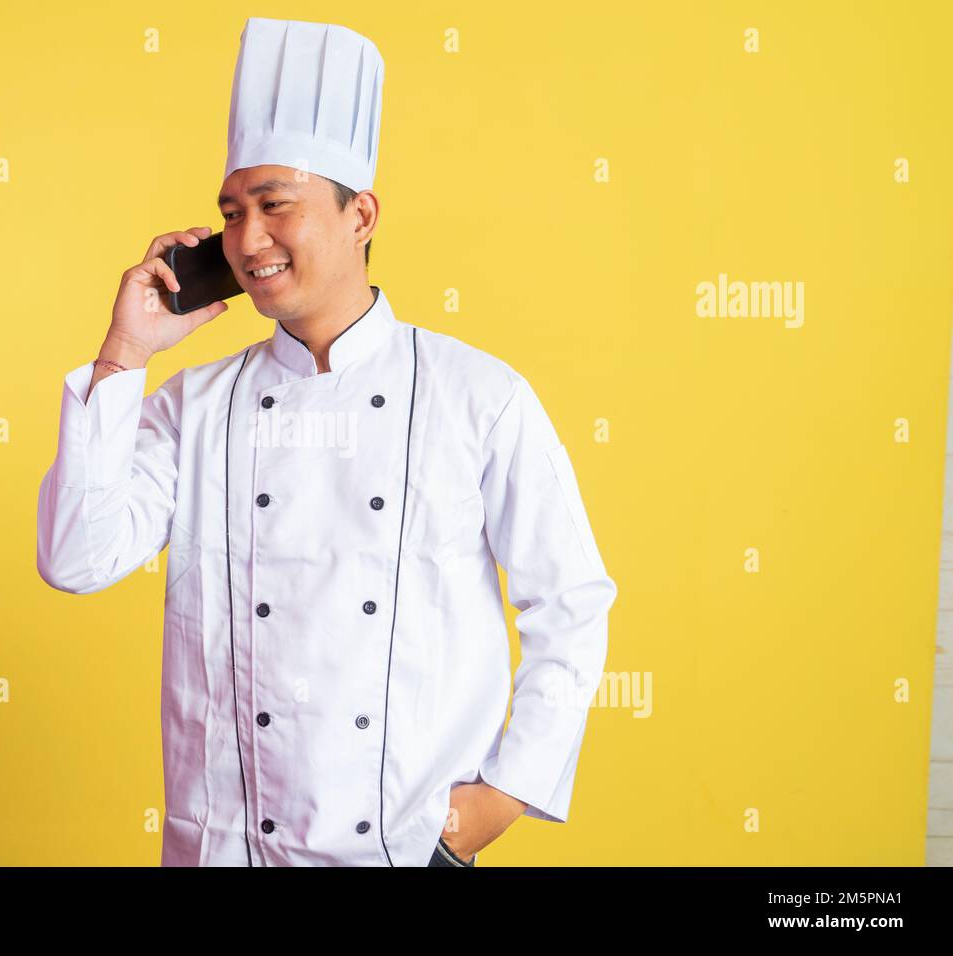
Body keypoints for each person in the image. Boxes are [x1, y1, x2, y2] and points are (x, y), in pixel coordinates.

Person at [37, 16, 617, 867]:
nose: (246, 240)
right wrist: (125, 351)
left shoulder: (478, 397)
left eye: (276, 205)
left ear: (360, 214)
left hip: (403, 853)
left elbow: (571, 605)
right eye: (231, 213)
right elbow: (75, 559)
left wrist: (485, 812)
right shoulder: (194, 407)